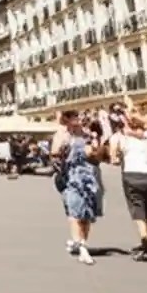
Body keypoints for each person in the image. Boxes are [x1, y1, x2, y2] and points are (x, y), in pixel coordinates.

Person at [109, 113, 147, 262]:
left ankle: (145, 243)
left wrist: (119, 156)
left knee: (138, 211)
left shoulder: (120, 136)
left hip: (132, 176)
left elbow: (114, 159)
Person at [51, 110, 100, 265]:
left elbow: (93, 155)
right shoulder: (62, 134)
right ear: (67, 120)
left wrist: (94, 145)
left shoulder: (86, 134)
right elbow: (54, 153)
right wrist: (63, 147)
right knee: (74, 211)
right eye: (74, 117)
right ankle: (81, 247)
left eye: (78, 117)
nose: (78, 120)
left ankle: (82, 242)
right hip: (70, 176)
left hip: (88, 176)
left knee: (87, 213)